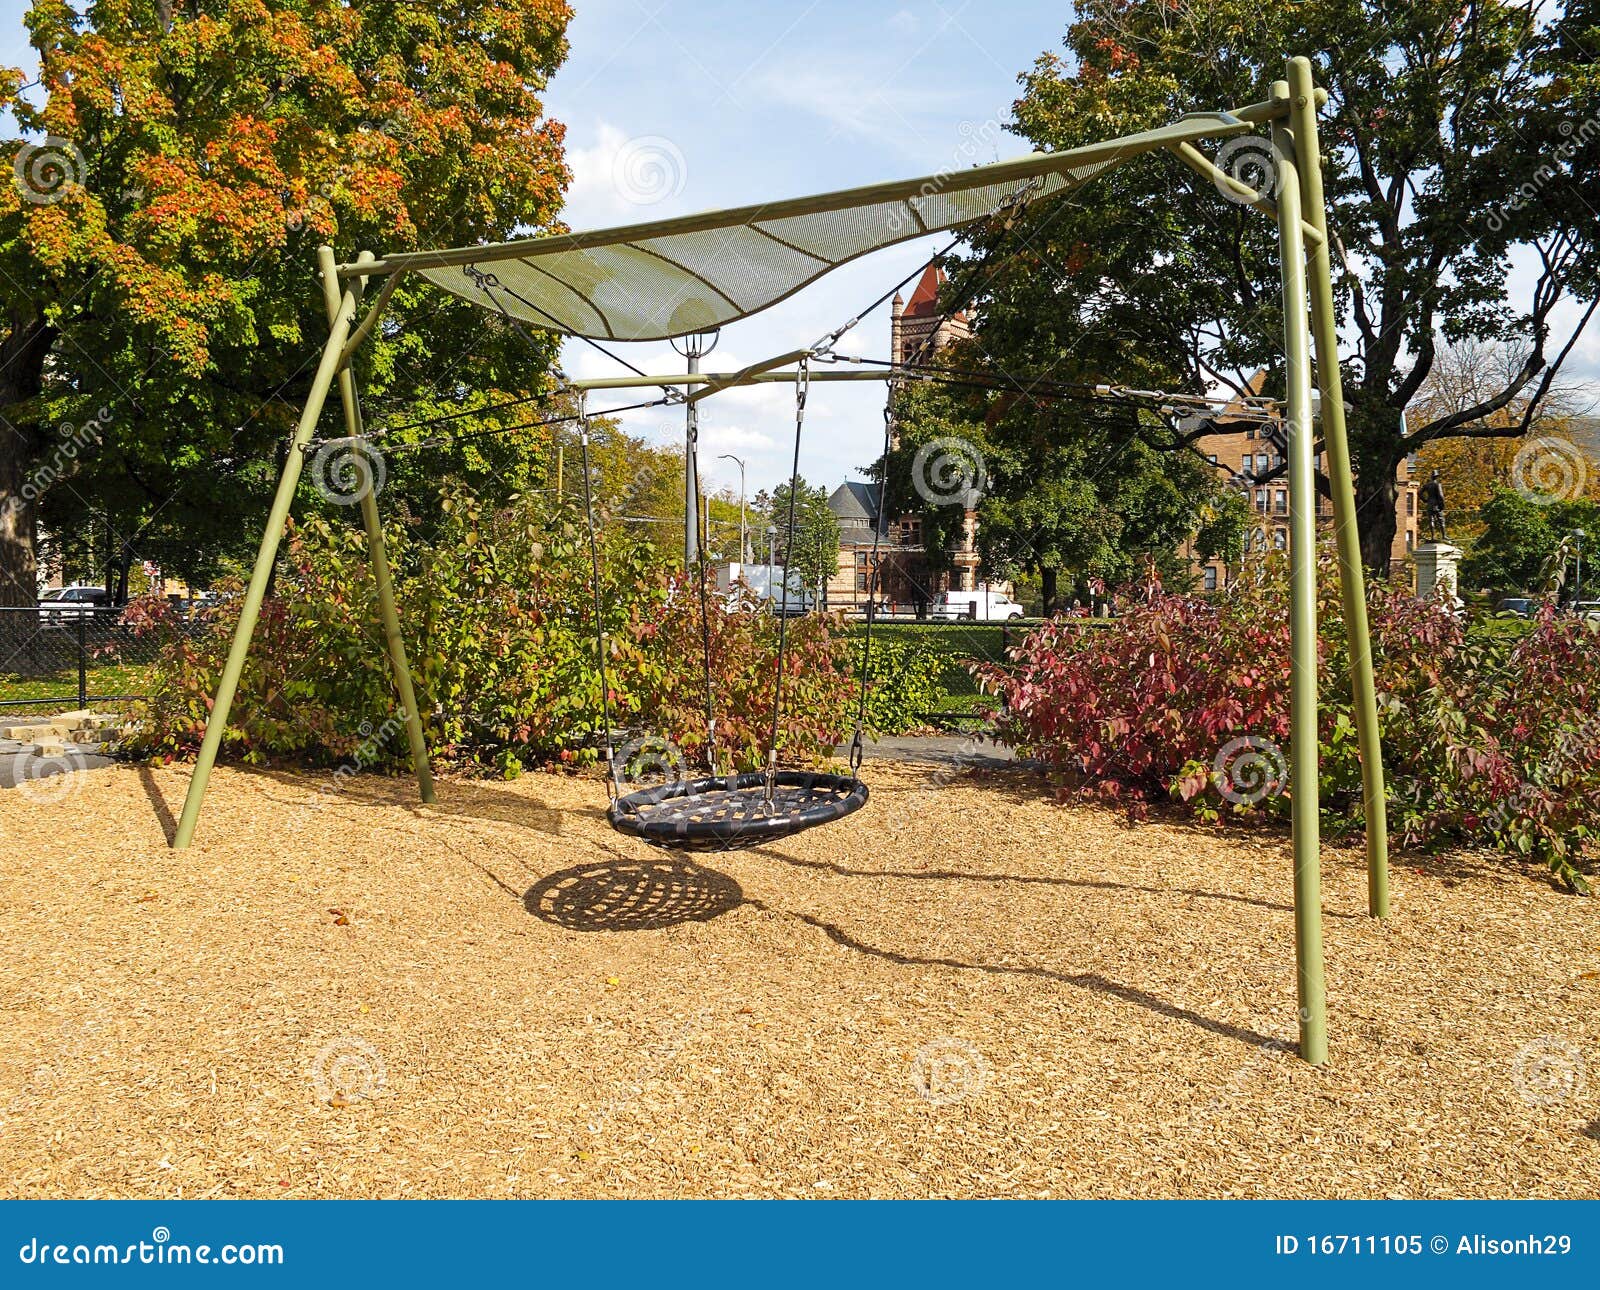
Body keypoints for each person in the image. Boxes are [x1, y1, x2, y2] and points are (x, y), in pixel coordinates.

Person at [1420, 470, 1448, 542]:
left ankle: (1433, 537)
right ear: (1437, 477)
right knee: (1441, 520)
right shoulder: (1437, 485)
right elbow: (1441, 496)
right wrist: (1442, 505)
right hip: (1436, 505)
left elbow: (1419, 493)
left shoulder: (1427, 485)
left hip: (1429, 504)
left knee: (1431, 520)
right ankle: (1444, 536)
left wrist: (1425, 500)